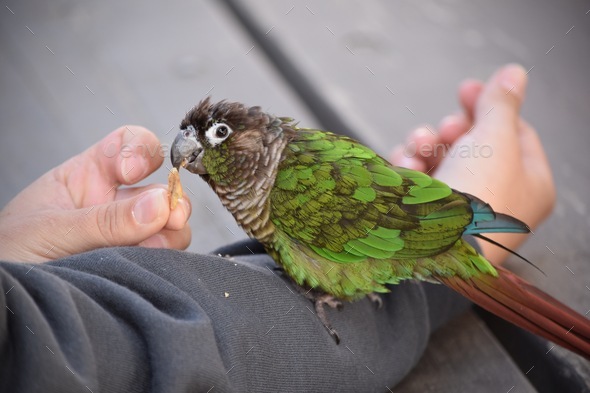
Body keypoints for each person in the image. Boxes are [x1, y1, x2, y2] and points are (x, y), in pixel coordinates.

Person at [0, 65, 555, 392]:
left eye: (216, 133)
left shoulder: (294, 190)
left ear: (250, 140)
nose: (191, 148)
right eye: (195, 137)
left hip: (431, 233)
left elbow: (385, 241)